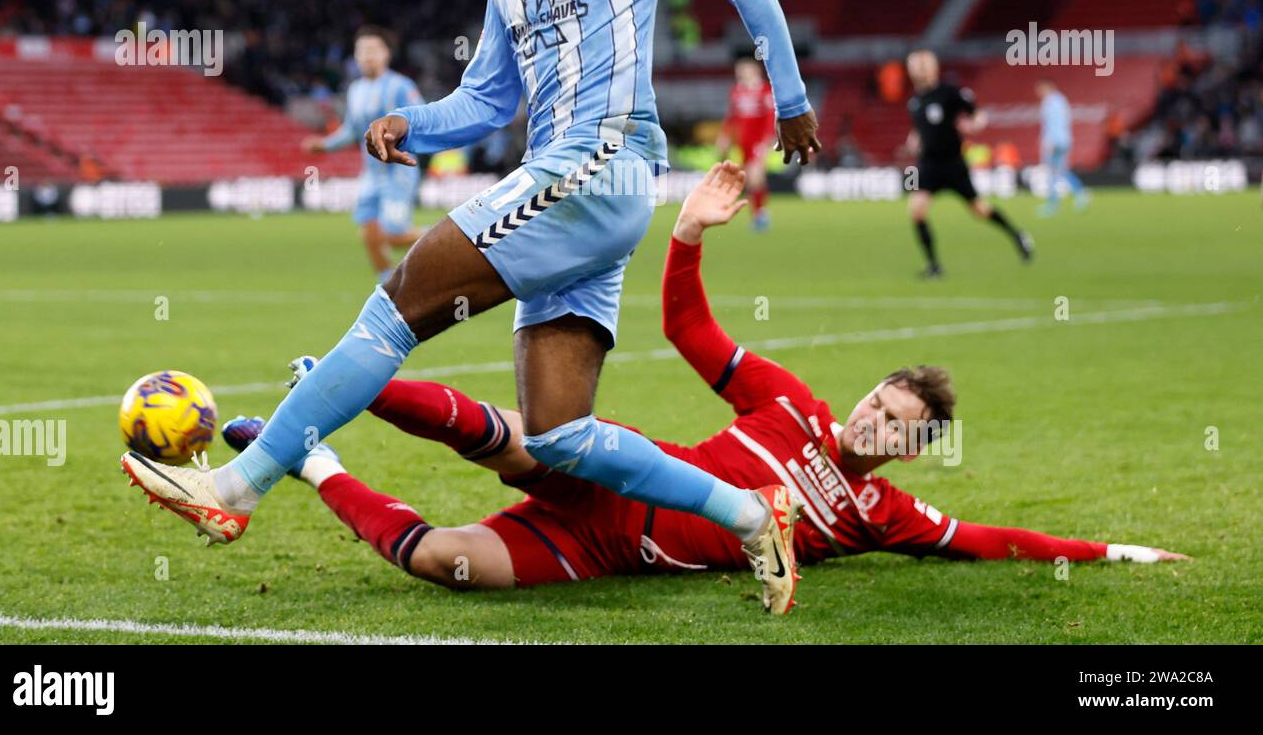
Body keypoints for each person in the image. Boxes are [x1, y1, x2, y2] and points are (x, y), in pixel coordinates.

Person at [121, 0, 820, 612]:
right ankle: (746, 509)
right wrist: (409, 122)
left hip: (600, 163)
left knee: (398, 303)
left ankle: (236, 487)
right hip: (575, 191)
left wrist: (792, 96)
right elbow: (484, 102)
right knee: (558, 433)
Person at [220, 164, 1185, 606]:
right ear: (868, 392)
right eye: (880, 402)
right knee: (497, 432)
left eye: (898, 428)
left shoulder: (880, 516)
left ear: (911, 449)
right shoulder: (788, 403)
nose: (875, 423)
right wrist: (685, 237)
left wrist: (1118, 550)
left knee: (440, 563)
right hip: (616, 471)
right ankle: (337, 394)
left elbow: (994, 542)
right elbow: (689, 329)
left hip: (603, 555)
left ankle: (316, 458)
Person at [302, 26, 424, 279]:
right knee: (368, 233)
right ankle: (388, 285)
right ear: (355, 57)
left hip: (398, 172)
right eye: (362, 51)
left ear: (386, 54)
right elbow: (352, 129)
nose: (367, 56)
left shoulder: (400, 86)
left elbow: (422, 119)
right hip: (371, 174)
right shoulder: (355, 89)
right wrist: (324, 145)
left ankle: (443, 236)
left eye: (373, 50)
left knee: (394, 234)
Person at [904, 50, 1032, 278]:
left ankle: (1017, 235)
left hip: (953, 163)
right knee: (916, 210)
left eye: (922, 65)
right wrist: (913, 141)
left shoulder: (950, 92)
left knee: (979, 210)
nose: (918, 70)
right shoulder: (915, 101)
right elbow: (920, 129)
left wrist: (973, 125)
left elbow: (978, 115)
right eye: (914, 65)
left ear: (933, 68)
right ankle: (934, 266)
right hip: (928, 164)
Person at [715, 56, 776, 230]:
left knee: (755, 176)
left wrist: (767, 139)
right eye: (739, 72)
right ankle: (758, 213)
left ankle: (761, 214)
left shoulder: (764, 90)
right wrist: (725, 136)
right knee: (750, 180)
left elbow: (770, 116)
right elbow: (732, 117)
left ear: (755, 71)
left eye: (744, 71)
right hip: (743, 143)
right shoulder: (737, 91)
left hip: (758, 141)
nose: (741, 74)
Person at [1035, 78, 1089, 215]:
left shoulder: (1050, 102)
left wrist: (1050, 141)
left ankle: (1053, 204)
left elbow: (1053, 124)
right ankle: (1079, 194)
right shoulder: (1061, 100)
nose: (1038, 92)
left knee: (1053, 172)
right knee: (1061, 170)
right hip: (1064, 139)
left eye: (1040, 89)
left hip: (1055, 141)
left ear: (1048, 87)